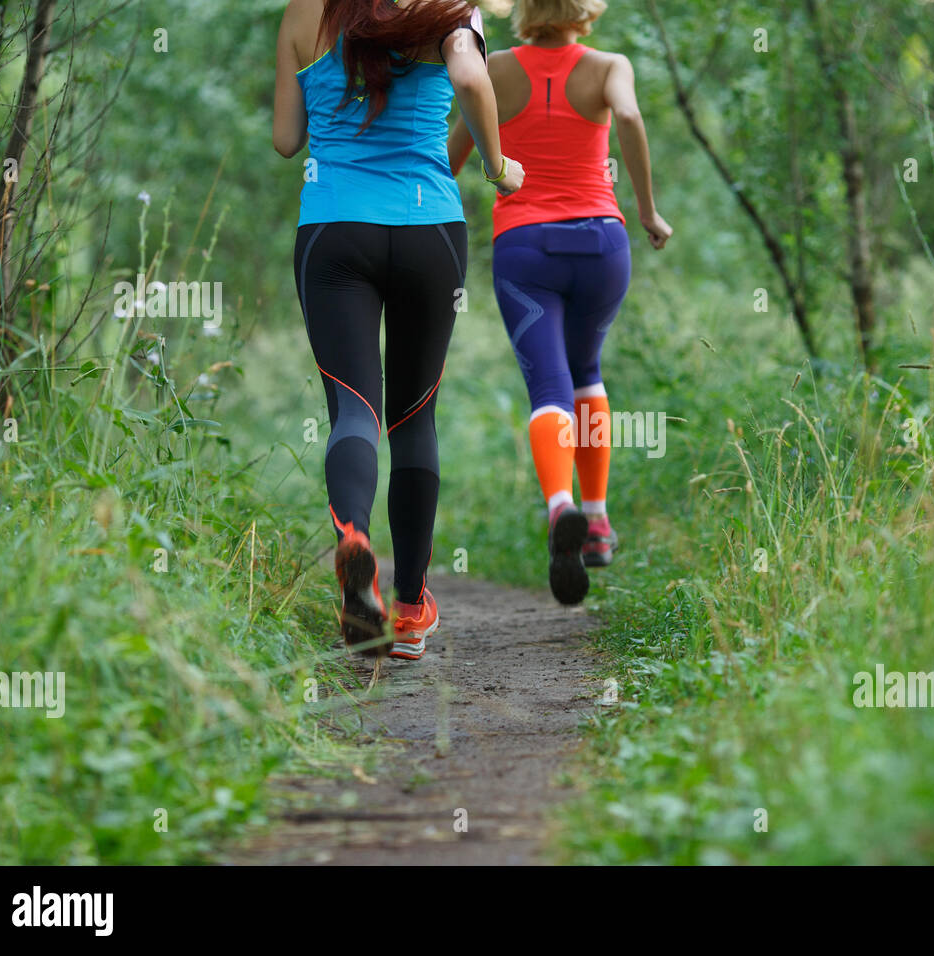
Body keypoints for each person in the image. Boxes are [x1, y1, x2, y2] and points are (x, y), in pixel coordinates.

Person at [273, 0, 524, 659]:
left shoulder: (303, 14)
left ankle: (354, 539)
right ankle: (411, 609)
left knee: (353, 413)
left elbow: (284, 138)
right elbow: (472, 80)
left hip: (333, 230)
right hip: (428, 233)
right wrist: (498, 169)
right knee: (413, 419)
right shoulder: (448, 12)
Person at [447, 0, 671, 605]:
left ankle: (560, 506)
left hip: (525, 246)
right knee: (587, 373)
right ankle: (596, 523)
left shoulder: (493, 71)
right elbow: (628, 115)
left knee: (548, 387)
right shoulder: (609, 66)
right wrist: (646, 209)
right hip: (601, 240)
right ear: (585, 8)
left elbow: (453, 159)